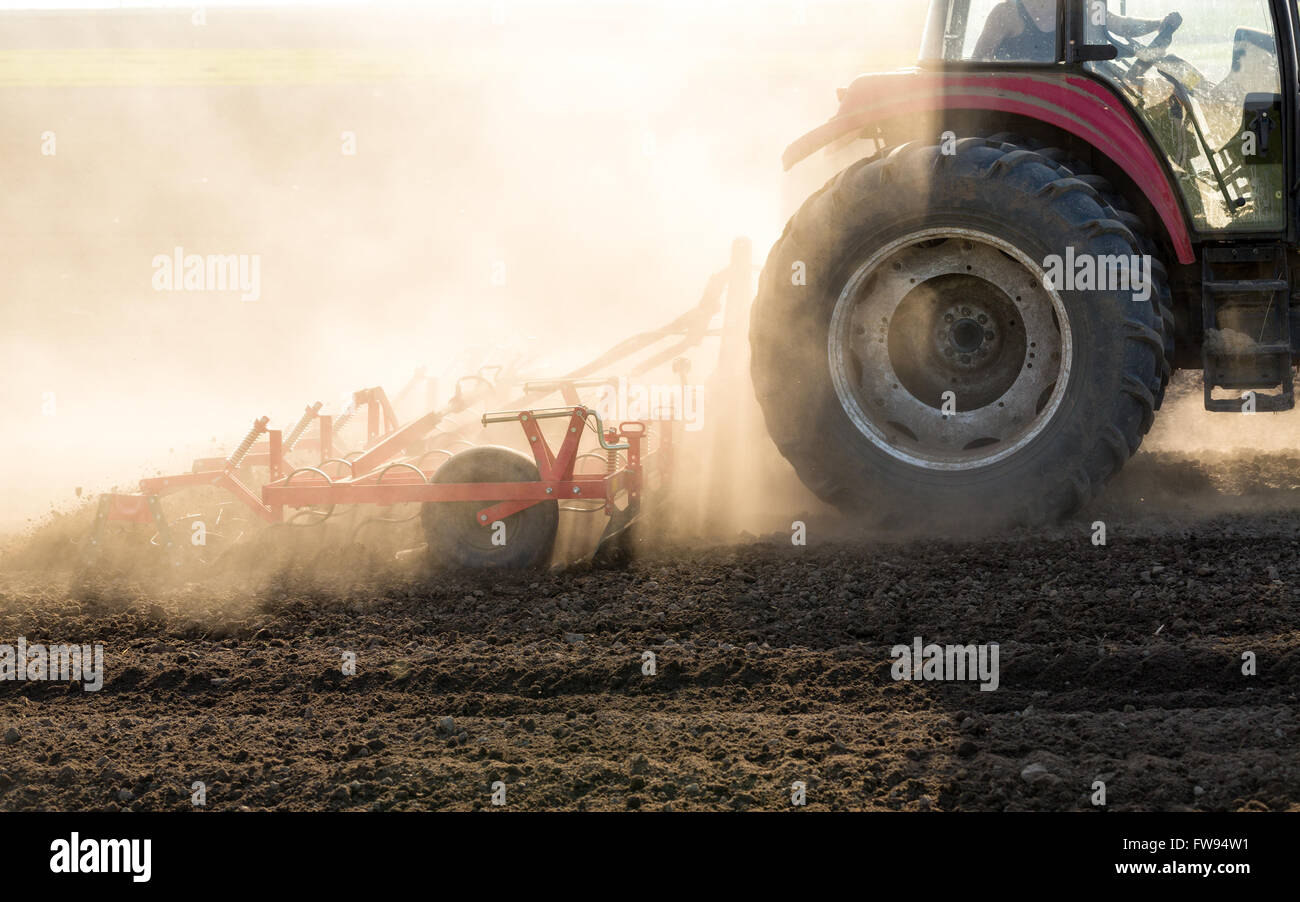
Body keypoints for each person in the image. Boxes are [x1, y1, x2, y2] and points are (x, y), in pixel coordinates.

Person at [974, 0, 1179, 62]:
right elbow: (979, 61)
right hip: (1022, 97)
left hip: (1064, 93)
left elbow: (1121, 26)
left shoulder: (1084, 6)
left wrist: (1159, 23)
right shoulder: (1007, 13)